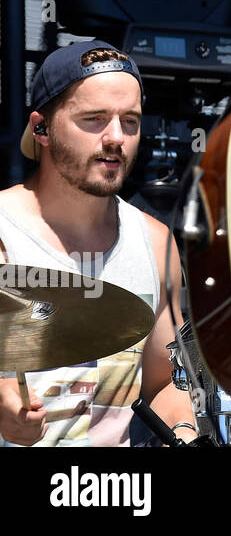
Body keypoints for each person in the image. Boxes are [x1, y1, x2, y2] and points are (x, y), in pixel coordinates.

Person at [0, 41, 196, 447]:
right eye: (94, 119)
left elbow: (165, 384)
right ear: (41, 128)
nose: (115, 138)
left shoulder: (156, 244)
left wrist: (183, 430)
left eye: (130, 121)